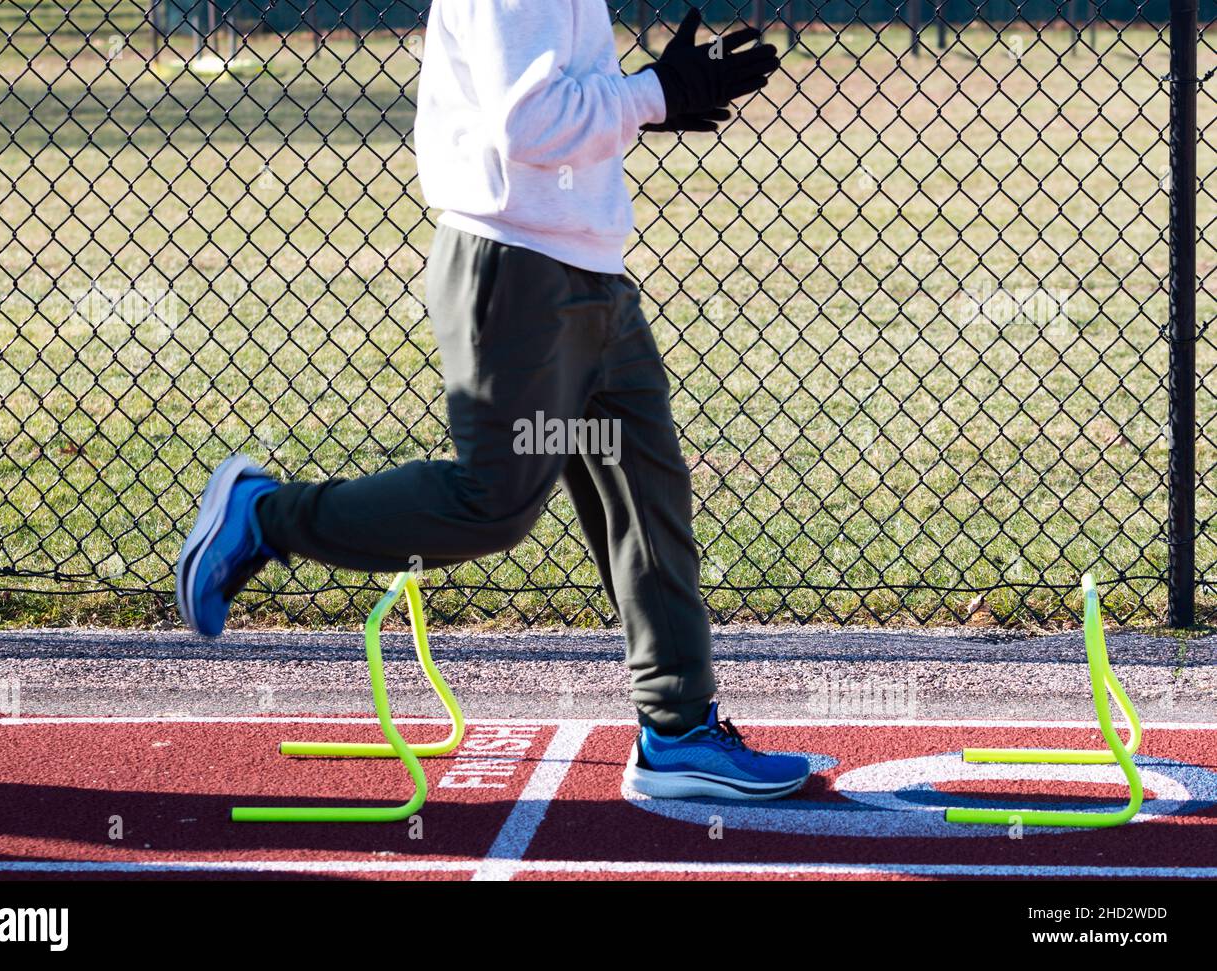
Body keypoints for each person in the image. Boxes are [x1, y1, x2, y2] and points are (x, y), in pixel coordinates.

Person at [176, 2, 809, 801]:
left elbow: (549, 108)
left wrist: (650, 101)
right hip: (520, 271)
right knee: (495, 503)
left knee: (648, 494)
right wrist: (653, 93)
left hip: (589, 267)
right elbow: (529, 125)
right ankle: (263, 517)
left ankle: (679, 731)